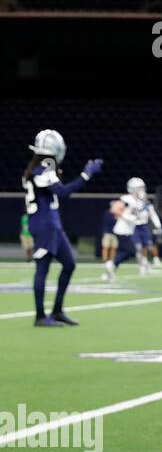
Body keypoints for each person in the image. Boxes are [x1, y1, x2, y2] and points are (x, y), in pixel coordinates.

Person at [22, 129, 102, 326]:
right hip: (44, 223)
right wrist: (86, 175)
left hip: (52, 223)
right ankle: (40, 316)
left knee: (69, 264)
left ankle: (57, 310)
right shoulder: (43, 166)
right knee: (43, 268)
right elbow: (62, 192)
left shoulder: (41, 167)